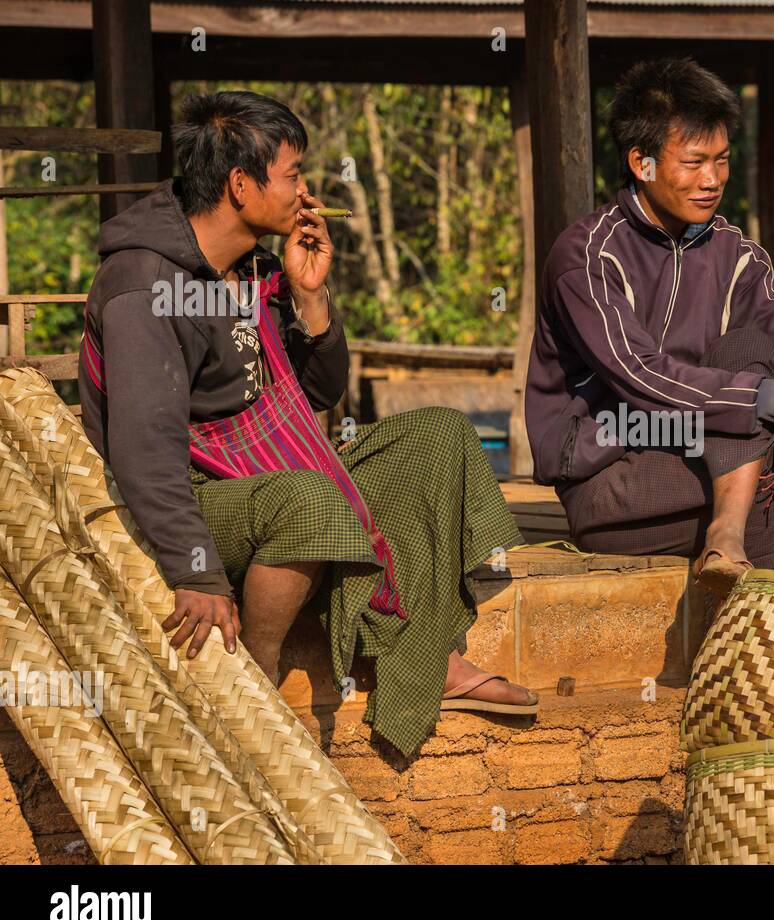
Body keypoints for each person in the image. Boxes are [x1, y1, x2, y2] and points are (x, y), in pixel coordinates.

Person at [79, 90, 536, 760]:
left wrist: (312, 297)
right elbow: (145, 452)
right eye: (292, 175)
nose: (304, 191)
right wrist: (198, 571)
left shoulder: (256, 268)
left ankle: (423, 654)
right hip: (195, 497)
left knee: (439, 435)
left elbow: (319, 391)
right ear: (241, 184)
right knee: (312, 501)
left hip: (275, 474)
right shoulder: (147, 284)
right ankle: (254, 672)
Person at [526, 58, 774, 589]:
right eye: (694, 162)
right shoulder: (586, 257)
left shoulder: (737, 254)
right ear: (641, 163)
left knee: (761, 381)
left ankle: (738, 569)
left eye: (722, 161)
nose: (713, 180)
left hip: (712, 459)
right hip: (610, 475)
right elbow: (641, 375)